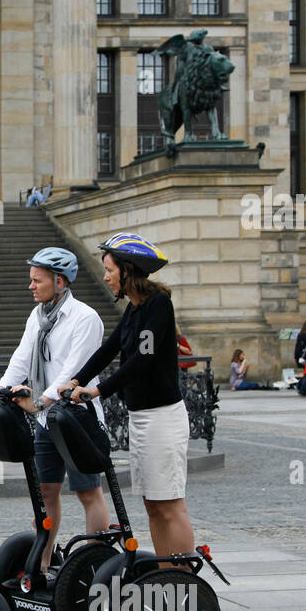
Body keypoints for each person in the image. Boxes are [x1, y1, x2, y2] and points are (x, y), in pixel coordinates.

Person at [63, 233, 195, 564]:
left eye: (109, 270)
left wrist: (97, 390)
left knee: (170, 504)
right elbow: (109, 349)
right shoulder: (134, 310)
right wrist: (77, 378)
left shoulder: (158, 306)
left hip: (162, 418)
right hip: (141, 417)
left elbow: (143, 359)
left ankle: (182, 577)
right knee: (152, 504)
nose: (106, 277)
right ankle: (165, 572)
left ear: (128, 270)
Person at [0, 246, 108, 578]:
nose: (30, 286)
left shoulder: (85, 318)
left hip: (77, 418)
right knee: (46, 492)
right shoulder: (39, 316)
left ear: (59, 281)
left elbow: (72, 373)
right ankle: (42, 562)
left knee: (88, 491)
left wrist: (41, 401)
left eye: (37, 280)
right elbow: (22, 355)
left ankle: (93, 563)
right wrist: (3, 390)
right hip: (48, 421)